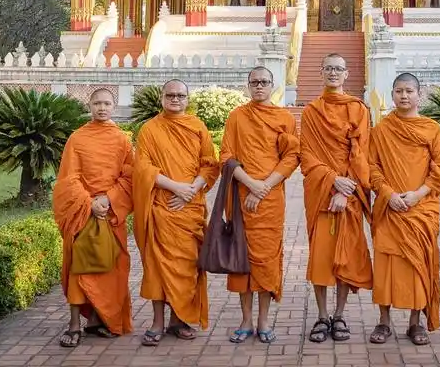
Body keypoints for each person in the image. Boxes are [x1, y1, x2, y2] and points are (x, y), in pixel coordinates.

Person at [133, 79, 219, 346]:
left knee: (188, 267)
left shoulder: (196, 127)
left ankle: (178, 320)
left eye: (180, 95)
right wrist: (175, 188)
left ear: (187, 98)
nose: (175, 99)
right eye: (170, 95)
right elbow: (143, 168)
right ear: (162, 98)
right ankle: (158, 322)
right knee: (157, 268)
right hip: (161, 206)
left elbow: (210, 165)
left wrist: (191, 190)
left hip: (189, 209)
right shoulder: (149, 129)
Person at [218, 66, 301, 344]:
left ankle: (263, 320)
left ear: (273, 85)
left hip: (270, 199)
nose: (259, 86)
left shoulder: (283, 118)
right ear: (248, 85)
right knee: (242, 261)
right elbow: (226, 156)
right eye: (254, 82)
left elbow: (291, 157)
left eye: (264, 82)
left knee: (266, 261)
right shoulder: (237, 116)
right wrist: (251, 184)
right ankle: (245, 320)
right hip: (242, 196)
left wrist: (263, 186)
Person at [368, 72, 440, 346]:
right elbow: (372, 168)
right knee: (386, 266)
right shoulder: (381, 131)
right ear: (392, 95)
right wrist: (388, 194)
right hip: (390, 208)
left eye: (409, 91)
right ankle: (384, 321)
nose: (404, 96)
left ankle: (415, 323)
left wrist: (417, 195)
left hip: (421, 209)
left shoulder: (433, 130)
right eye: (399, 91)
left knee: (419, 265)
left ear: (419, 94)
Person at [52, 88, 135, 347]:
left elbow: (129, 177)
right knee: (80, 268)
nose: (102, 107)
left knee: (112, 267)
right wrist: (88, 203)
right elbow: (68, 178)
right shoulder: (77, 138)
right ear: (90, 105)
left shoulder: (122, 140)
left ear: (114, 105)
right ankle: (75, 325)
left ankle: (100, 320)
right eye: (97, 103)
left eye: (107, 103)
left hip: (110, 212)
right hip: (82, 212)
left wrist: (108, 199)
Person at [300, 52, 373, 344]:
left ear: (346, 74)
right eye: (328, 68)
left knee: (346, 257)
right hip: (321, 193)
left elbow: (362, 154)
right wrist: (333, 182)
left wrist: (347, 189)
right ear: (321, 72)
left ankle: (339, 314)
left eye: (338, 69)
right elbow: (306, 155)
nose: (333, 73)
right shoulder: (311, 111)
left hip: (350, 194)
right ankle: (321, 315)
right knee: (320, 258)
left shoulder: (359, 109)